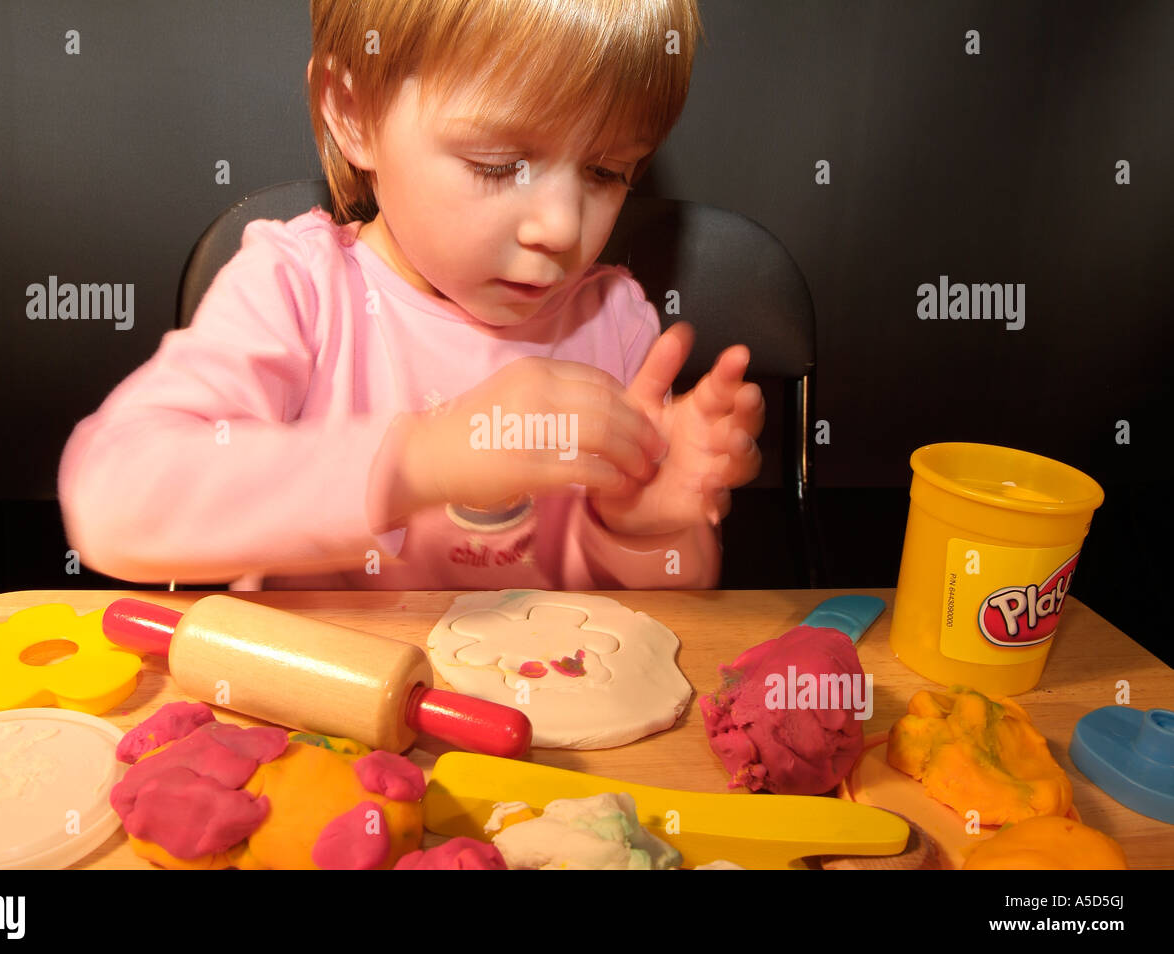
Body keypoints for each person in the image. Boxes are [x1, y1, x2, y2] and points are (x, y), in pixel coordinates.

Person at [58, 0, 764, 590]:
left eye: (606, 172)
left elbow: (672, 621)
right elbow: (111, 495)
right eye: (499, 165)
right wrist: (417, 461)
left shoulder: (615, 325)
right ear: (353, 112)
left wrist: (642, 529)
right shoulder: (298, 292)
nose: (561, 226)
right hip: (322, 732)